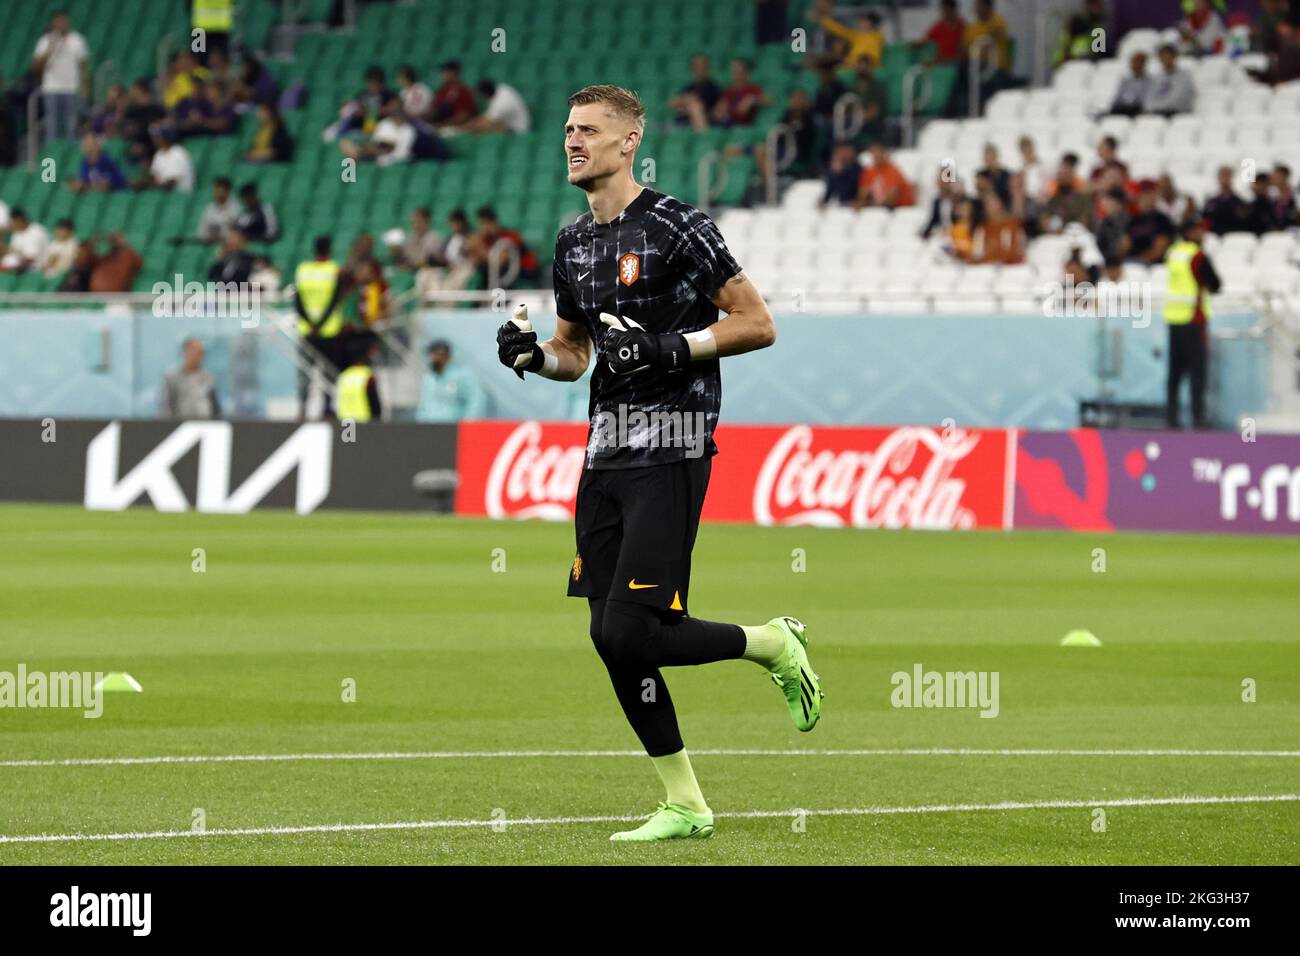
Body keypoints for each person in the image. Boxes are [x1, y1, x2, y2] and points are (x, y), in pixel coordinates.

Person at [493, 84, 820, 843]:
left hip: (673, 445)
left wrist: (674, 346)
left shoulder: (679, 226)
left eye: (589, 130)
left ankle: (771, 641)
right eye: (568, 129)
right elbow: (575, 355)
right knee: (610, 636)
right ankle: (688, 805)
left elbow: (757, 323)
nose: (573, 141)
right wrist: (532, 355)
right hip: (605, 452)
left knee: (633, 631)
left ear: (628, 140)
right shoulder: (574, 241)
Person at [1163, 219, 1220, 428]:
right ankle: (1198, 419)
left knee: (1174, 373)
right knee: (1198, 372)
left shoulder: (1173, 253)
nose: (1203, 234)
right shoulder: (1197, 256)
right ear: (1191, 232)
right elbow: (1215, 284)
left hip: (1173, 319)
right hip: (1193, 319)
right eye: (1200, 230)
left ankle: (1171, 419)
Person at [294, 236, 346, 418]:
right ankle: (327, 408)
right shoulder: (334, 270)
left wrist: (310, 322)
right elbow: (335, 300)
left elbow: (298, 300)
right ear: (329, 249)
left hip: (307, 330)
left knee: (305, 372)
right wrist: (321, 323)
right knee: (328, 371)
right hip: (329, 330)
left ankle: (302, 408)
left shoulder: (303, 270)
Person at [32, 10, 89, 140]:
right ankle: (52, 155)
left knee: (71, 126)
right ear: (53, 23)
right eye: (58, 21)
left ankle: (69, 155)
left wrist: (85, 88)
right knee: (52, 126)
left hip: (71, 89)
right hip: (51, 89)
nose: (62, 23)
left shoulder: (77, 40)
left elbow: (83, 66)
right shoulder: (45, 41)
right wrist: (50, 48)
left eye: (64, 20)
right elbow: (36, 68)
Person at [415, 340, 486, 422]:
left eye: (435, 355)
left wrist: (469, 422)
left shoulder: (462, 375)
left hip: (454, 427)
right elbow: (424, 403)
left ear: (445, 356)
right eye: (431, 355)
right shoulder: (429, 378)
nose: (432, 358)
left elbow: (476, 397)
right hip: (431, 427)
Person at [160, 337, 220, 419]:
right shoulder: (172, 377)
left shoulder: (209, 378)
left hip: (205, 425)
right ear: (185, 352)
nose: (198, 356)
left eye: (201, 353)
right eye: (194, 352)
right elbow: (166, 405)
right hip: (181, 425)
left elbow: (215, 405)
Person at [334, 335, 382, 423]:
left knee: (350, 437)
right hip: (364, 423)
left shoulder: (344, 376)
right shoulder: (367, 375)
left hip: (346, 424)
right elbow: (374, 404)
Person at [814, 8, 885, 67]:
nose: (860, 24)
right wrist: (824, 20)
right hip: (850, 64)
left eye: (863, 22)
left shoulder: (876, 37)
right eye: (860, 22)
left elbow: (871, 58)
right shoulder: (857, 35)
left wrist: (854, 63)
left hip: (863, 66)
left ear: (870, 23)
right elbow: (841, 30)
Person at [855, 143, 915, 209]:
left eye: (879, 152)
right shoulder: (869, 172)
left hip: (901, 209)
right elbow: (862, 195)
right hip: (881, 208)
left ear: (885, 153)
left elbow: (891, 198)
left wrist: (871, 204)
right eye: (873, 152)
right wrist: (861, 202)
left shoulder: (893, 171)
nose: (876, 155)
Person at [669, 54, 721, 130]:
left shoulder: (713, 88)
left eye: (702, 66)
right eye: (696, 66)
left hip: (706, 121)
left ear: (707, 68)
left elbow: (717, 110)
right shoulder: (689, 87)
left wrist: (690, 102)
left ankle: (702, 134)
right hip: (683, 121)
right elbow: (671, 103)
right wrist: (687, 100)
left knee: (695, 106)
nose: (699, 69)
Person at [713, 59, 770, 126]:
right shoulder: (729, 90)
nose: (734, 72)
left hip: (740, 124)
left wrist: (751, 99)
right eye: (733, 70)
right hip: (725, 121)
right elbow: (718, 110)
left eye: (737, 69)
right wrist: (719, 112)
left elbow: (768, 101)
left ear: (746, 72)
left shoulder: (752, 88)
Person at [1144, 45, 1195, 117]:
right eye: (1162, 57)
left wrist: (1157, 107)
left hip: (1177, 113)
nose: (1165, 59)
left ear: (1174, 57)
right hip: (1157, 112)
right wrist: (1152, 108)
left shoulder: (1184, 76)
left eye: (1167, 56)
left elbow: (1177, 99)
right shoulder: (1156, 77)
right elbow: (1149, 98)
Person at [465, 79, 532, 134]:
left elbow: (485, 122)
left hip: (519, 130)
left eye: (480, 94)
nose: (479, 96)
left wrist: (466, 127)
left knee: (481, 130)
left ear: (485, 94)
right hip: (509, 122)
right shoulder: (502, 88)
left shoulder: (501, 104)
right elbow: (486, 116)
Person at [429, 61, 476, 129]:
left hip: (456, 127)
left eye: (445, 71)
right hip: (438, 125)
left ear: (454, 73)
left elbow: (464, 115)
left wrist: (442, 125)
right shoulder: (443, 90)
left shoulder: (463, 90)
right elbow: (433, 109)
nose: (442, 74)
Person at [1202, 165, 1248, 234]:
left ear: (1232, 177)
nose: (1225, 178)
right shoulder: (1210, 202)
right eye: (1222, 175)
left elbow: (1244, 222)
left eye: (1227, 175)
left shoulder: (1239, 202)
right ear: (1218, 178)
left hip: (1234, 236)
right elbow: (1205, 221)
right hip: (1214, 237)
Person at [196, 177, 239, 244]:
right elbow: (201, 231)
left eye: (219, 189)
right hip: (209, 243)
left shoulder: (236, 208)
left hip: (228, 244)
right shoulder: (210, 208)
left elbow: (234, 231)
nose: (216, 192)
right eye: (215, 189)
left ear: (227, 191)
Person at [1109, 51, 1149, 116]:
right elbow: (1118, 97)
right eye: (1133, 62)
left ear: (1143, 64)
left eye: (1138, 62)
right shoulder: (1125, 80)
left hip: (1138, 107)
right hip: (1124, 107)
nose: (1134, 64)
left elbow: (1146, 99)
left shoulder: (1149, 80)